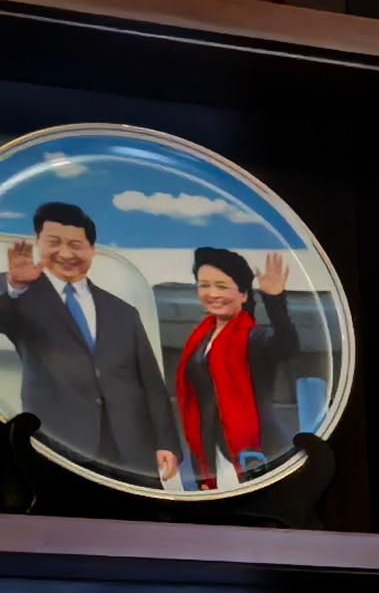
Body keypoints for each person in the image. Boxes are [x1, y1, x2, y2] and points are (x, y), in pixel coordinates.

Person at [0, 201, 178, 485]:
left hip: (132, 452)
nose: (66, 253)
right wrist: (14, 286)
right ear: (38, 242)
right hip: (59, 448)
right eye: (54, 242)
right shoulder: (20, 296)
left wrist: (166, 443)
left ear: (92, 249)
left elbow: (151, 384)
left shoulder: (123, 311)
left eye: (76, 244)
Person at [168, 245, 307, 491]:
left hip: (256, 452)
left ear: (243, 294)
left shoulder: (254, 338)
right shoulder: (200, 339)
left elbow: (286, 346)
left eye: (222, 286)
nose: (212, 293)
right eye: (204, 285)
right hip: (210, 453)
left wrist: (275, 301)